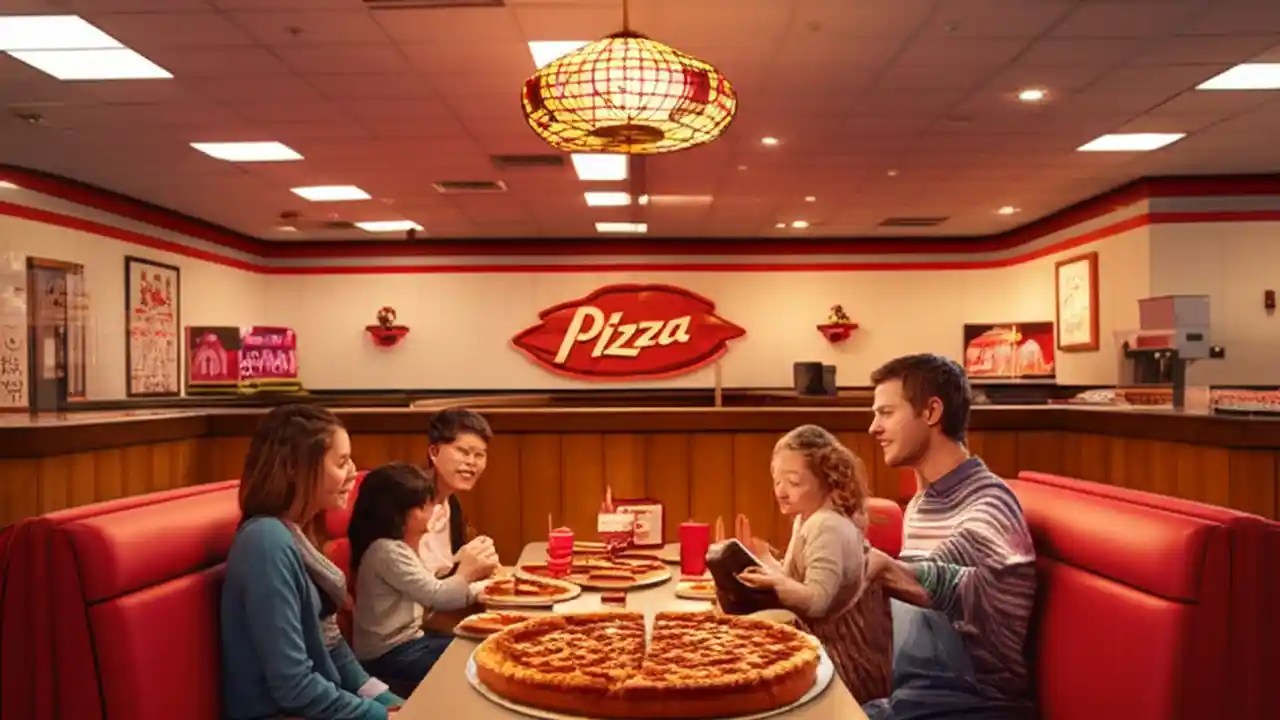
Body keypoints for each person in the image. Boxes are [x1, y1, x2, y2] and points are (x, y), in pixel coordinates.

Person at [862, 354, 1037, 719]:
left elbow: (949, 582)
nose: (873, 428)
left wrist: (878, 567)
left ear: (931, 412)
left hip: (975, 708)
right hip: (911, 704)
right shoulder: (922, 504)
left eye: (886, 412)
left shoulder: (990, 505)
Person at [221, 404, 403, 720]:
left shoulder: (298, 535)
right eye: (342, 462)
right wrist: (382, 717)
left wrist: (388, 700)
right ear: (294, 467)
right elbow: (294, 686)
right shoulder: (265, 543)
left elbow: (333, 647)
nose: (353, 472)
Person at [735, 425, 893, 702]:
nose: (781, 492)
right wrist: (762, 558)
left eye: (794, 482)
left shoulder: (828, 525)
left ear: (826, 480)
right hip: (816, 649)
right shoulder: (806, 518)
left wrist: (775, 581)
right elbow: (792, 583)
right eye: (777, 481)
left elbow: (817, 601)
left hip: (845, 667)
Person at [349, 462, 499, 697]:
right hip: (389, 656)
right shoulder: (386, 551)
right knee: (475, 662)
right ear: (397, 514)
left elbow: (431, 586)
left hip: (413, 641)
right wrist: (467, 571)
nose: (432, 509)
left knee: (479, 647)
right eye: (423, 506)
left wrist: (486, 587)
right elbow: (438, 597)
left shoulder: (401, 547)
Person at [416, 408, 493, 576]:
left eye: (479, 455)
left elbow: (446, 573)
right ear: (434, 452)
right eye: (463, 452)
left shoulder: (452, 504)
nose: (471, 462)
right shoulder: (412, 503)